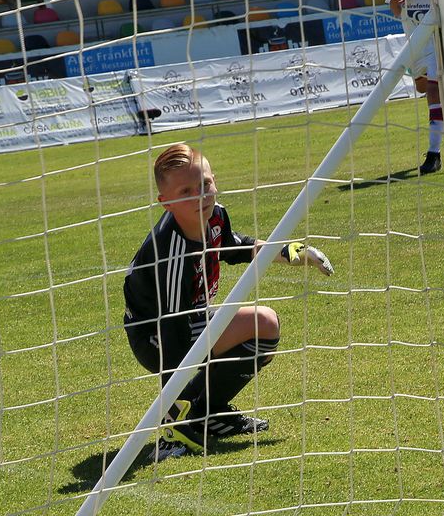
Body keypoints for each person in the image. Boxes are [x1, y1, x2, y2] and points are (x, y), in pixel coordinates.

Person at [124, 143, 334, 461]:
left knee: (264, 326)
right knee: (262, 322)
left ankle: (211, 413)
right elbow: (172, 331)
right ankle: (177, 421)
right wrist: (173, 409)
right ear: (165, 202)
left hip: (189, 320)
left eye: (205, 184)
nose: (200, 196)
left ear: (214, 180)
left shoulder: (215, 216)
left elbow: (237, 246)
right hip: (156, 337)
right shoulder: (171, 250)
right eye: (186, 191)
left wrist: (293, 251)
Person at [389, 0, 444, 175]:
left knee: (433, 91)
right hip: (414, 48)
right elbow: (394, 10)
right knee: (423, 89)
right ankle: (443, 115)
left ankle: (434, 154)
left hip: (436, 47)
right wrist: (396, 3)